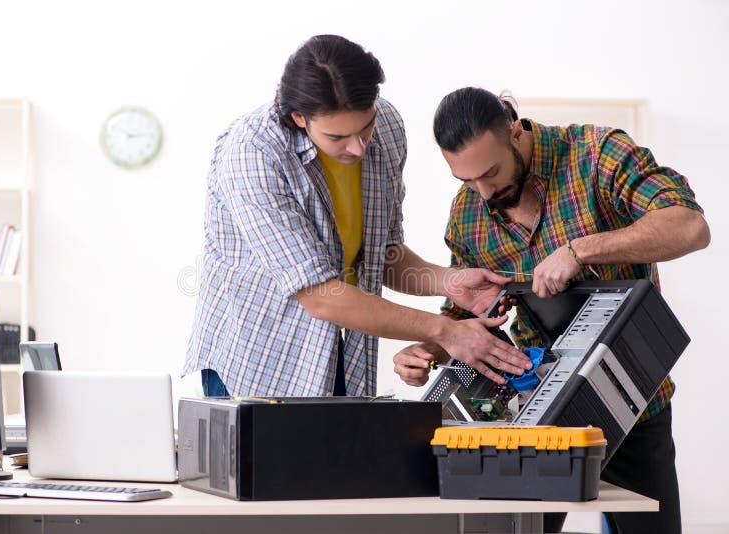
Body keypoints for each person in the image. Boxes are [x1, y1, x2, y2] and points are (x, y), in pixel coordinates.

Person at [393, 86, 710, 534]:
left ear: (517, 133)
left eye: (491, 172)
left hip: (634, 406)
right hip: (538, 424)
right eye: (467, 181)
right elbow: (466, 318)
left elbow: (689, 225)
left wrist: (580, 251)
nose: (484, 193)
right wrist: (433, 346)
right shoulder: (468, 214)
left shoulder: (597, 155)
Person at [183, 38, 530, 398]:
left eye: (365, 127)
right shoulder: (252, 155)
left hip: (338, 355)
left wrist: (449, 281)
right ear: (299, 118)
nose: (357, 148)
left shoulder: (388, 126)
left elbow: (383, 256)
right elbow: (320, 295)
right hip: (258, 365)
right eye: (337, 137)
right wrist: (445, 331)